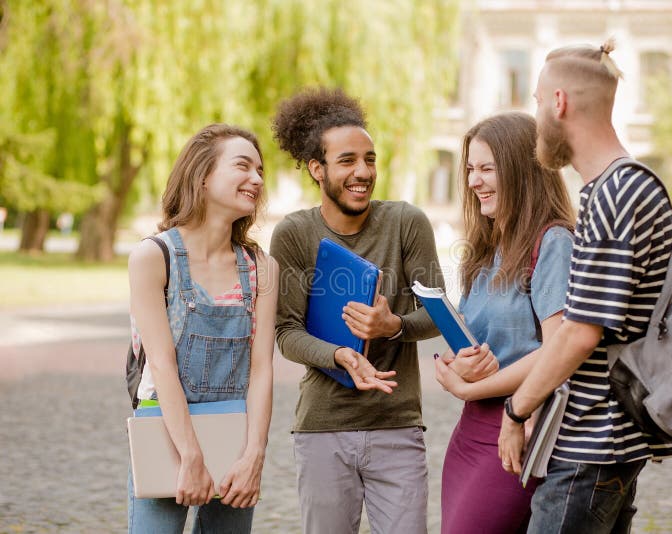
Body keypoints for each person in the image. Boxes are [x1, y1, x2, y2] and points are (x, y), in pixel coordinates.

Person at [496, 39, 672, 533]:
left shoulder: (614, 193)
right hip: (609, 443)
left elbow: (580, 332)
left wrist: (516, 411)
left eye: (535, 101)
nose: (534, 117)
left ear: (559, 103)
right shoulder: (623, 185)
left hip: (592, 445)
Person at [269, 87, 455, 534]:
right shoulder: (293, 234)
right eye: (347, 160)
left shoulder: (406, 223)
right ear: (317, 168)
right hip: (322, 429)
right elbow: (285, 332)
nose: (363, 172)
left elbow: (440, 313)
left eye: (369, 159)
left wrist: (393, 327)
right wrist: (339, 355)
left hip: (396, 426)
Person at [127, 124, 277, 533]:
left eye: (261, 171)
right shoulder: (154, 257)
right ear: (203, 175)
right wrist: (190, 456)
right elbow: (161, 363)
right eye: (243, 166)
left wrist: (254, 456)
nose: (257, 179)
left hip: (235, 440)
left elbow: (262, 367)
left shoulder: (260, 267)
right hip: (165, 436)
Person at [433, 112, 574, 534]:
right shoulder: (486, 248)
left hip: (519, 425)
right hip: (470, 430)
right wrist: (460, 366)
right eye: (471, 169)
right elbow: (476, 340)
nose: (474, 181)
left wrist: (469, 386)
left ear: (522, 171)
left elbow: (559, 351)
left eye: (487, 169)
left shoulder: (554, 243)